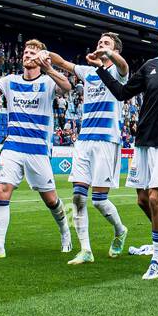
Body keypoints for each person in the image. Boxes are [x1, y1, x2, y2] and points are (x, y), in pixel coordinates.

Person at [95, 17, 158, 280]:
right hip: (143, 139)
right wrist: (101, 70)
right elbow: (122, 93)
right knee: (142, 200)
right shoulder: (150, 66)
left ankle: (157, 258)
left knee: (155, 198)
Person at [0, 40, 72, 260]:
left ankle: (65, 232)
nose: (27, 54)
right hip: (12, 146)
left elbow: (67, 87)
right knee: (2, 190)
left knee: (50, 200)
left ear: (41, 58)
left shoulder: (48, 82)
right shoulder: (10, 81)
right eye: (26, 51)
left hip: (38, 150)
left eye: (33, 52)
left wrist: (49, 68)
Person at [48, 34, 131, 264]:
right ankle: (86, 250)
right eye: (100, 43)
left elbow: (123, 65)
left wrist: (108, 55)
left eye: (107, 44)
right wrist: (45, 56)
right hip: (84, 140)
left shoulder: (118, 73)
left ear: (115, 50)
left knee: (99, 200)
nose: (100, 45)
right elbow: (63, 63)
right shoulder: (88, 72)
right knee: (77, 196)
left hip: (106, 140)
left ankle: (120, 230)